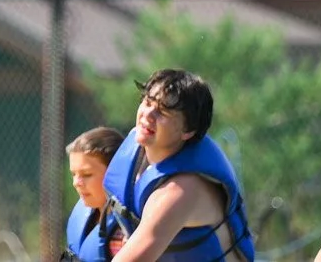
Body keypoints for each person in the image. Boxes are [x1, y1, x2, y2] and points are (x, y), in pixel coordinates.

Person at [103, 68, 255, 262]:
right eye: (147, 102)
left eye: (163, 112)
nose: (148, 115)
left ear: (188, 131)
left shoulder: (180, 192)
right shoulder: (139, 153)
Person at [67, 126, 129, 262]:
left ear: (115, 173)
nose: (76, 183)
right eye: (73, 174)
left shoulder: (126, 231)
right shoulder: (84, 215)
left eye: (87, 174)